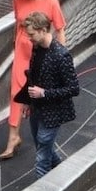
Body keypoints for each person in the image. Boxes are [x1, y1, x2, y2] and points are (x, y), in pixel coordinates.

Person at [1, 0, 65, 161]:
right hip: (21, 51)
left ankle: (43, 137)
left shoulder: (51, 2)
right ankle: (13, 137)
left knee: (39, 93)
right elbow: (17, 24)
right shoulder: (18, 0)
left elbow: (60, 30)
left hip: (42, 53)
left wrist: (61, 58)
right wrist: (14, 44)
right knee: (16, 93)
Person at [16, 11, 79, 177]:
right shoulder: (36, 48)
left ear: (43, 30)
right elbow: (33, 77)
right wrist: (27, 101)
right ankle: (64, 174)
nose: (28, 38)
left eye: (31, 34)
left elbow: (73, 88)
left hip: (53, 111)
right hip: (37, 108)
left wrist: (43, 93)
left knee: (42, 155)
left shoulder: (61, 55)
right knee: (43, 146)